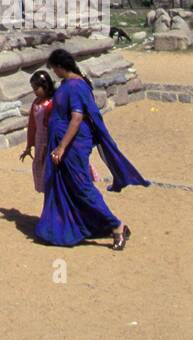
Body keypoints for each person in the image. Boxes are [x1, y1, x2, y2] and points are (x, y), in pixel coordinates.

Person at [35, 48, 148, 250]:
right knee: (65, 186)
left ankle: (117, 226)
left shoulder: (76, 86)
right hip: (64, 144)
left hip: (72, 146)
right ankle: (68, 226)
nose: (54, 73)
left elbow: (77, 118)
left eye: (54, 69)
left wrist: (62, 146)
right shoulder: (67, 84)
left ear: (61, 67)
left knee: (82, 187)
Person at [20, 70, 55, 193]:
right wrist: (29, 145)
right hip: (39, 144)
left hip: (51, 143)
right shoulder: (36, 103)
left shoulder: (53, 103)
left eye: (36, 88)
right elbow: (32, 125)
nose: (35, 92)